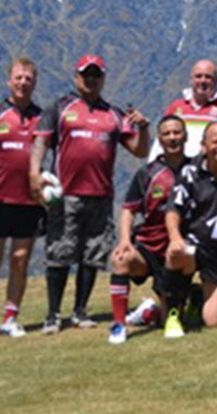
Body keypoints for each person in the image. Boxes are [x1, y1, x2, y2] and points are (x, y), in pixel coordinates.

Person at [29, 55, 149, 334]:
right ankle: (53, 314)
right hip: (65, 194)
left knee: (92, 255)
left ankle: (80, 311)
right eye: (86, 74)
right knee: (59, 253)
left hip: (100, 195)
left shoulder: (114, 114)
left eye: (96, 75)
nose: (91, 79)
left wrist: (143, 127)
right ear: (76, 76)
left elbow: (140, 150)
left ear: (103, 79)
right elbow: (41, 142)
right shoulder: (60, 108)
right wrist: (34, 175)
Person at [161, 122, 217, 336]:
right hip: (194, 247)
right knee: (177, 254)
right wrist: (175, 238)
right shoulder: (189, 173)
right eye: (215, 142)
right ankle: (174, 312)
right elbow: (173, 209)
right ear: (204, 146)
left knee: (214, 322)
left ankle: (197, 297)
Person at [106, 115, 191, 344]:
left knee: (170, 319)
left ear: (186, 137)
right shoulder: (147, 174)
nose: (172, 138)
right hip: (149, 248)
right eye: (167, 134)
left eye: (177, 132)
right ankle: (119, 325)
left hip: (179, 251)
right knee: (121, 260)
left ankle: (153, 310)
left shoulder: (195, 171)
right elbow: (128, 210)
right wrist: (125, 240)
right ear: (160, 140)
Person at [0, 58, 43, 338]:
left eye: (28, 78)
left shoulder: (42, 118)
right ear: (9, 81)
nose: (23, 82)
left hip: (28, 202)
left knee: (19, 260)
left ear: (34, 83)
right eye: (19, 77)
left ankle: (10, 317)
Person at [152, 59, 217, 160]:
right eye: (198, 76)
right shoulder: (175, 107)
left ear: (216, 81)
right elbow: (162, 140)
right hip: (177, 169)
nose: (203, 81)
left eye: (208, 77)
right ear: (190, 80)